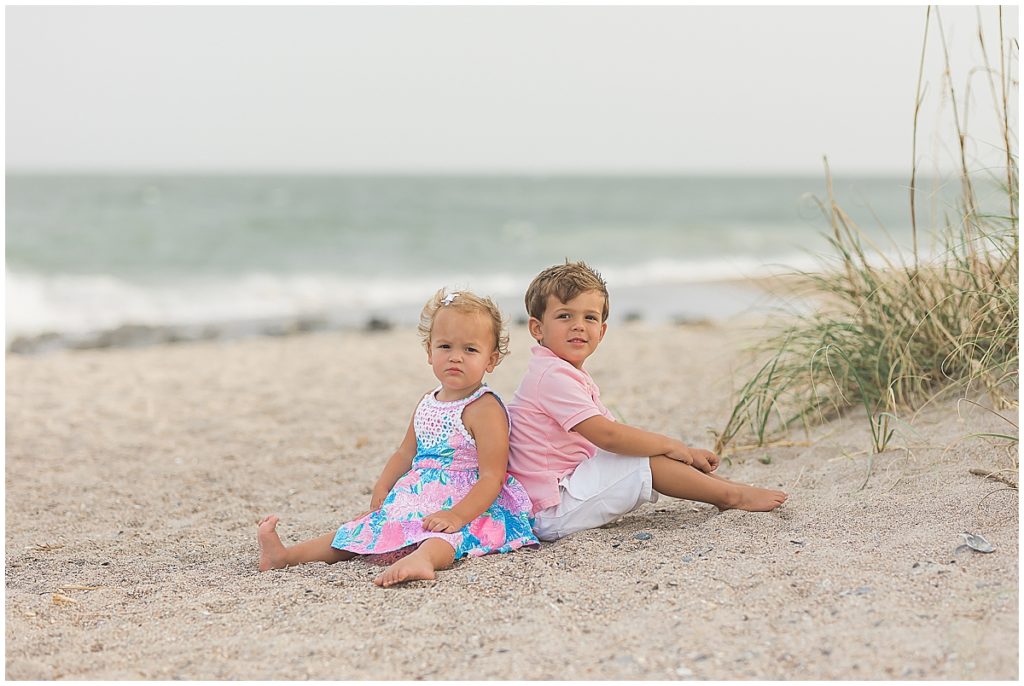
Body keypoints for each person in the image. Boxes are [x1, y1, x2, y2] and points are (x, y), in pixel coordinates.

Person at [257, 289, 538, 586]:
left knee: (445, 536)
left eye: (470, 350)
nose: (455, 357)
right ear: (429, 352)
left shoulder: (485, 408)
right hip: (417, 496)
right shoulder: (428, 401)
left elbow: (493, 476)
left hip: (468, 503)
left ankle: (423, 560)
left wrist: (456, 515)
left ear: (491, 360)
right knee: (361, 529)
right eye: (445, 346)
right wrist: (383, 485)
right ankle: (286, 556)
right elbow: (406, 453)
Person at [507, 260, 787, 542]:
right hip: (550, 510)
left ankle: (729, 488)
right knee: (643, 458)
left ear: (601, 331)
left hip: (563, 492)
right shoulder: (551, 376)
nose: (578, 326)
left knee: (642, 448)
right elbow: (609, 436)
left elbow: (618, 434)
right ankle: (730, 496)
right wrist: (673, 446)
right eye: (565, 316)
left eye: (589, 318)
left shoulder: (563, 372)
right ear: (537, 328)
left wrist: (684, 452)